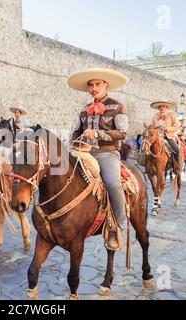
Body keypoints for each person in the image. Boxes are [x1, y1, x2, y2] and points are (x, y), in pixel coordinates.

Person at [68, 68, 129, 251]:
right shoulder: (84, 109)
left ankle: (118, 225)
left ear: (106, 85)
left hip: (106, 152)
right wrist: (71, 143)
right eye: (91, 85)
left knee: (112, 183)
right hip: (84, 151)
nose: (93, 88)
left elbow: (122, 134)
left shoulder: (117, 106)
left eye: (97, 84)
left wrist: (98, 133)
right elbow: (76, 131)